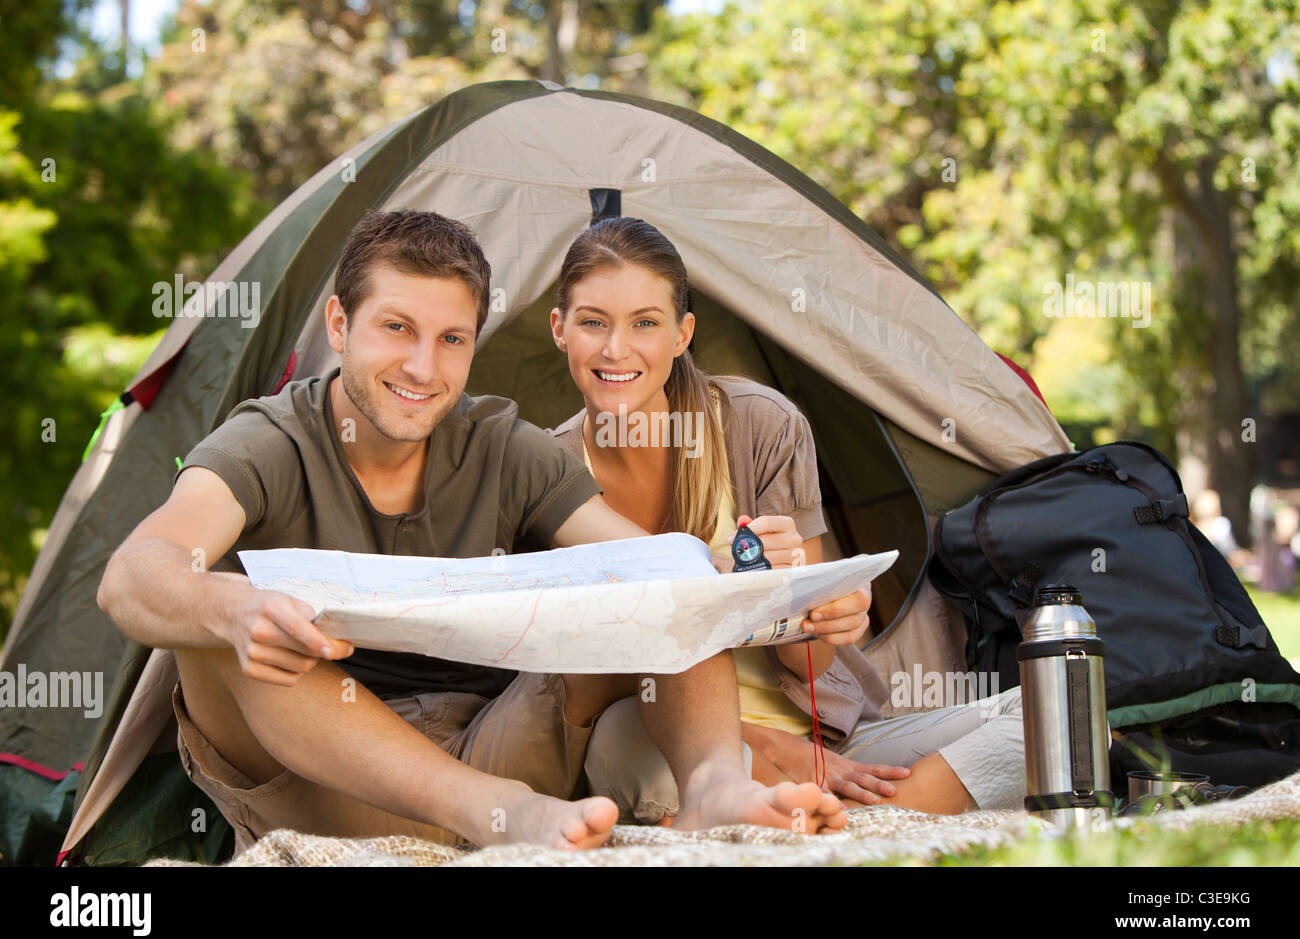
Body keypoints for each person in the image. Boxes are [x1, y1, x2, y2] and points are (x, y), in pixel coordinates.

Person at [97, 209, 863, 855]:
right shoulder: (267, 442)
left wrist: (732, 572)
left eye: (452, 339)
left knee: (658, 574)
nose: (423, 367)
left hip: (504, 741)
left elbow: (646, 565)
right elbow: (132, 574)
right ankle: (494, 814)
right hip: (341, 783)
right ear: (339, 322)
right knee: (213, 624)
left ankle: (714, 789)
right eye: (396, 328)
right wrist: (235, 611)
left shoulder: (498, 441)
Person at [546, 216, 1027, 822]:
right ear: (560, 329)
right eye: (594, 322)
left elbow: (813, 660)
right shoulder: (549, 468)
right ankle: (851, 822)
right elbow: (578, 683)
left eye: (646, 323)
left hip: (827, 741)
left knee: (1052, 719)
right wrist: (765, 746)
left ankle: (826, 824)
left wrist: (819, 613)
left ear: (681, 333)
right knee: (621, 745)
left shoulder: (759, 425)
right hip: (670, 743)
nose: (618, 349)